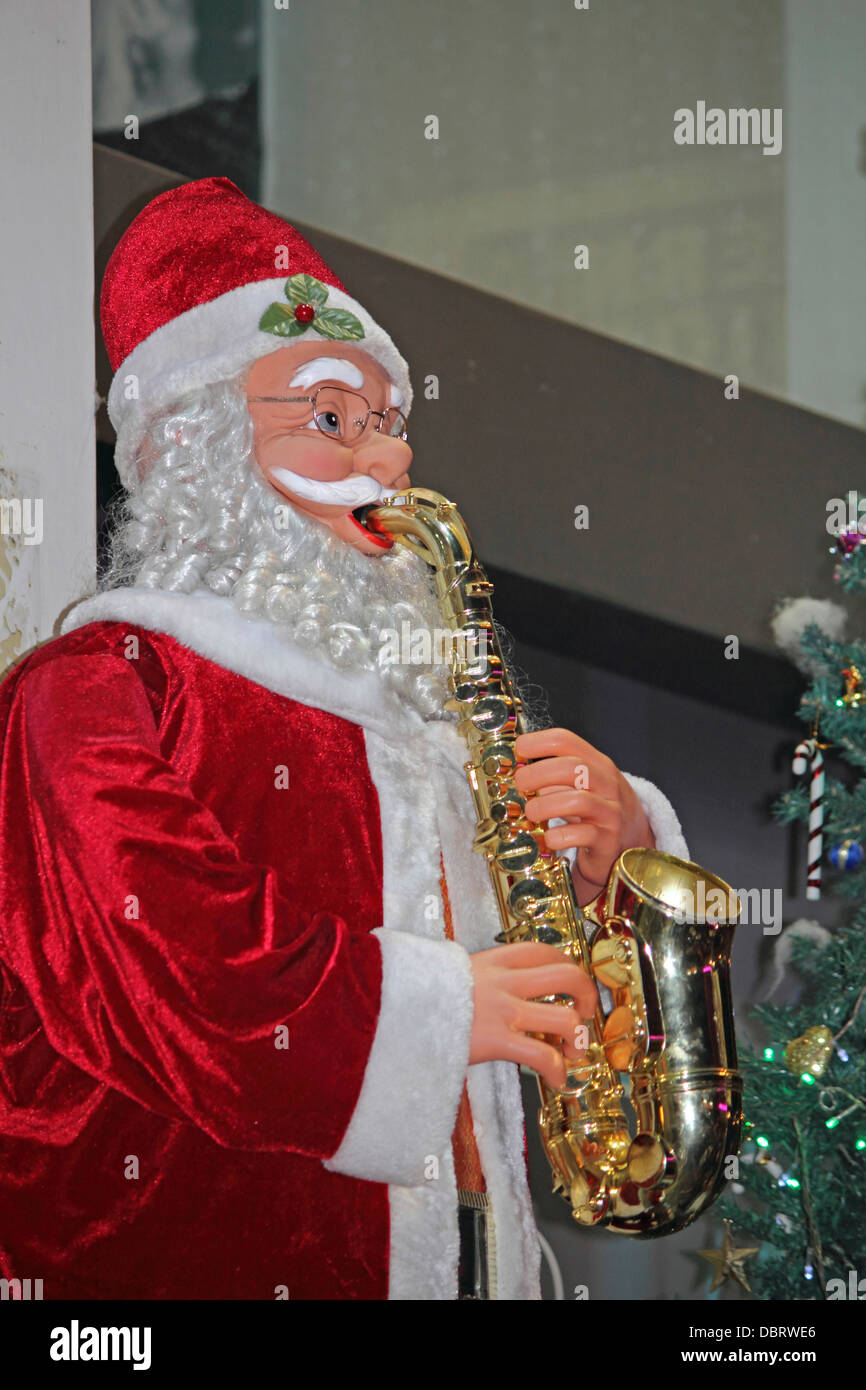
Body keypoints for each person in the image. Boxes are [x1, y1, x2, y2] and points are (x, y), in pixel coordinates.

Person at [0, 178, 688, 1300]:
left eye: (389, 421)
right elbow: (165, 950)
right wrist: (433, 1011)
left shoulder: (436, 715)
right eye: (329, 416)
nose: (388, 461)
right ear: (199, 443)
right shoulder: (94, 688)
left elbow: (556, 980)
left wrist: (614, 852)